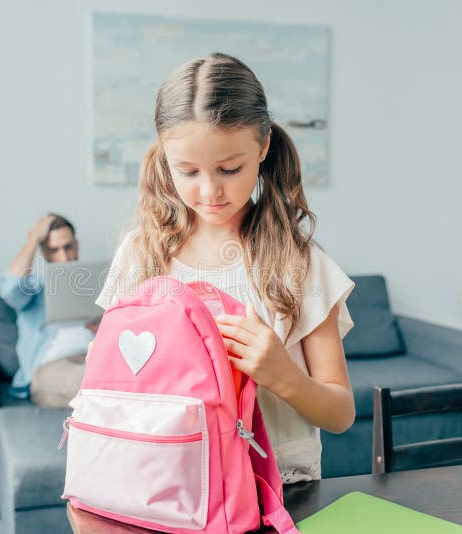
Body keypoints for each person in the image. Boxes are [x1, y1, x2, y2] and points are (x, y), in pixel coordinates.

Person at [94, 52, 356, 484]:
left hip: (280, 494)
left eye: (230, 169)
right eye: (187, 170)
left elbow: (342, 414)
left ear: (264, 146)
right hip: (168, 487)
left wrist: (283, 375)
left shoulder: (302, 264)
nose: (210, 190)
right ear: (165, 157)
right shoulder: (140, 256)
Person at [0, 213, 96, 406]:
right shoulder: (35, 288)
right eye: (54, 250)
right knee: (95, 381)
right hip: (51, 368)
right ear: (44, 252)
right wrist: (34, 239)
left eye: (68, 247)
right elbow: (9, 289)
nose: (64, 257)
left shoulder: (95, 282)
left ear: (77, 244)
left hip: (93, 360)